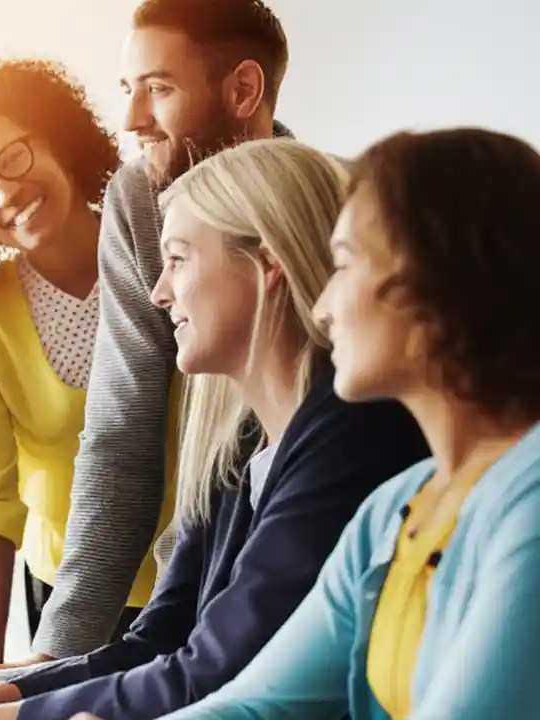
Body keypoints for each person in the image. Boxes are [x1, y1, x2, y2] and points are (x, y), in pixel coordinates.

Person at [0, 139, 431, 720]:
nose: (157, 291)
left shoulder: (353, 437)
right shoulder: (235, 446)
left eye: (177, 259)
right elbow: (154, 643)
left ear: (267, 263)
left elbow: (209, 671)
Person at [0, 0, 298, 690]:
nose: (133, 118)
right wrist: (16, 677)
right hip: (121, 590)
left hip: (242, 574)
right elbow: (116, 442)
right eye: (127, 89)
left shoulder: (314, 213)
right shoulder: (137, 200)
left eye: (159, 87)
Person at [160, 128, 540, 719]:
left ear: (433, 276)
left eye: (342, 264)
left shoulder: (531, 503)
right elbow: (256, 705)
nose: (322, 304)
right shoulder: (391, 512)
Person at [0, 57, 170, 667]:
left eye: (14, 159)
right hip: (67, 592)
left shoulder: (165, 249)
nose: (6, 195)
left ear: (58, 138)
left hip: (189, 575)